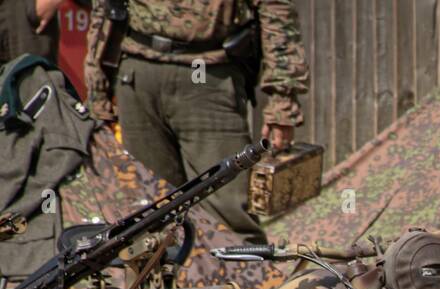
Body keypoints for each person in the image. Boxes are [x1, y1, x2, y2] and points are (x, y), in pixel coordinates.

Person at [83, 0, 309, 242]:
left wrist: (283, 100)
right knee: (146, 217)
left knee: (228, 217)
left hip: (207, 73)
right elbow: (104, 7)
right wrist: (98, 87)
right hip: (137, 71)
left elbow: (274, 7)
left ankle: (245, 278)